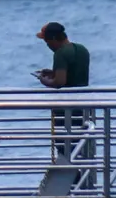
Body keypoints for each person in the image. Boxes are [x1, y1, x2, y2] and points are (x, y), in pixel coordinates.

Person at [36, 22, 92, 165]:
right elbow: (73, 74)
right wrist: (53, 72)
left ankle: (70, 181)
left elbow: (60, 82)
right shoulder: (82, 50)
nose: (47, 45)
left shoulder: (60, 53)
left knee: (64, 148)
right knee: (81, 146)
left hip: (66, 109)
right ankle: (84, 181)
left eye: (47, 41)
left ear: (54, 39)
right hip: (83, 106)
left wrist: (44, 80)